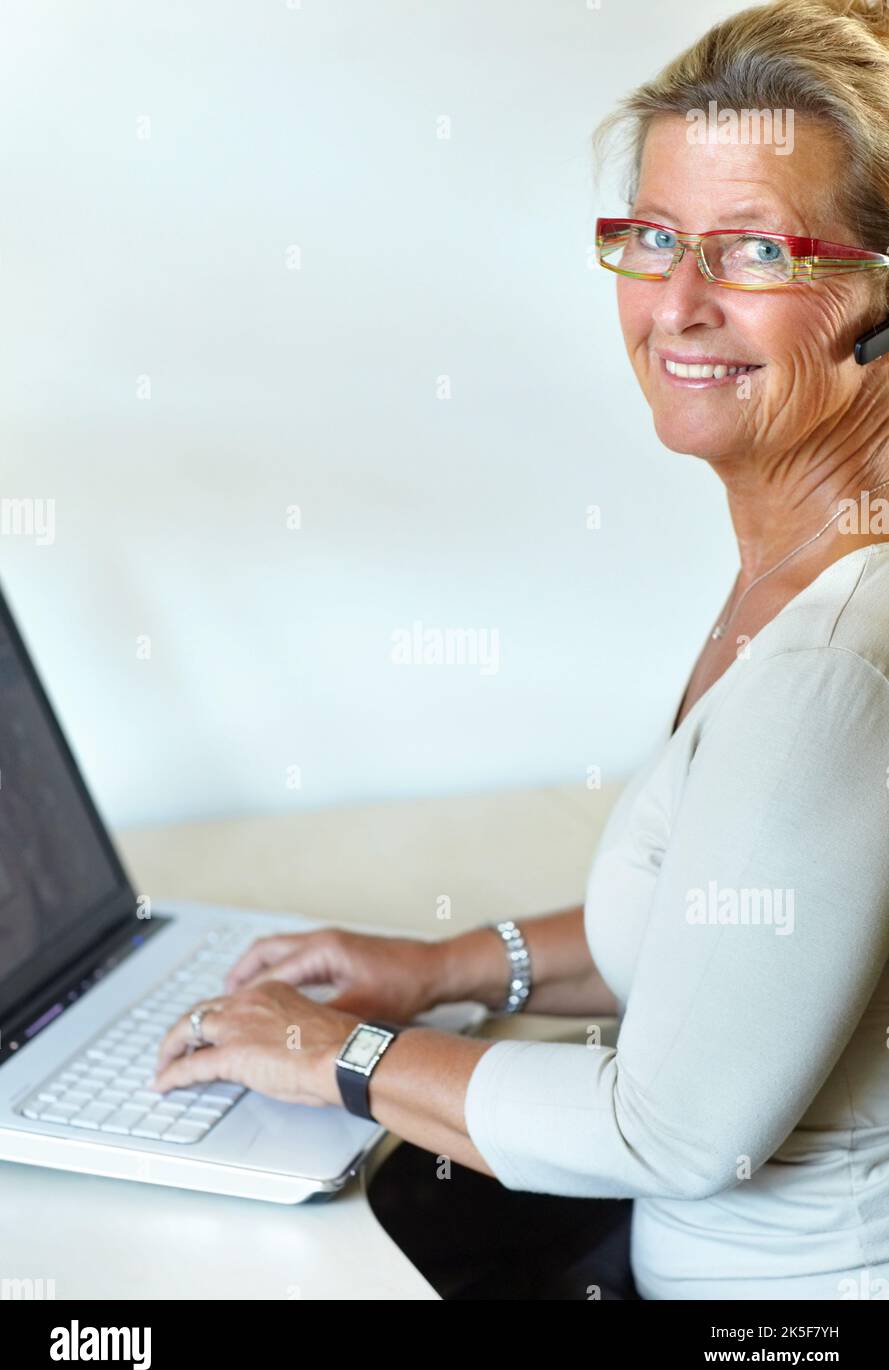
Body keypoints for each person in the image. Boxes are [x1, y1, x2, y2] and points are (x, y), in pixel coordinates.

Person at [152, 0, 889, 1300]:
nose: (674, 305)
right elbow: (723, 934)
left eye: (752, 252)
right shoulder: (800, 567)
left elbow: (670, 1128)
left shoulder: (838, 664)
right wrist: (437, 966)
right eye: (650, 237)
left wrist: (335, 1051)